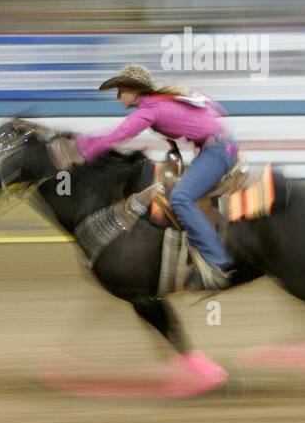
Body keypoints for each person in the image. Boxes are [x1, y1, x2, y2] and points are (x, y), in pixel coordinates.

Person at [67, 64, 237, 290]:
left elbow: (119, 134)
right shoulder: (161, 101)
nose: (118, 97)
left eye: (121, 91)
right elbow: (213, 109)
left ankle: (218, 262)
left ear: (134, 90)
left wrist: (82, 150)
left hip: (217, 151)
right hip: (216, 147)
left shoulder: (150, 110)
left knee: (180, 197)